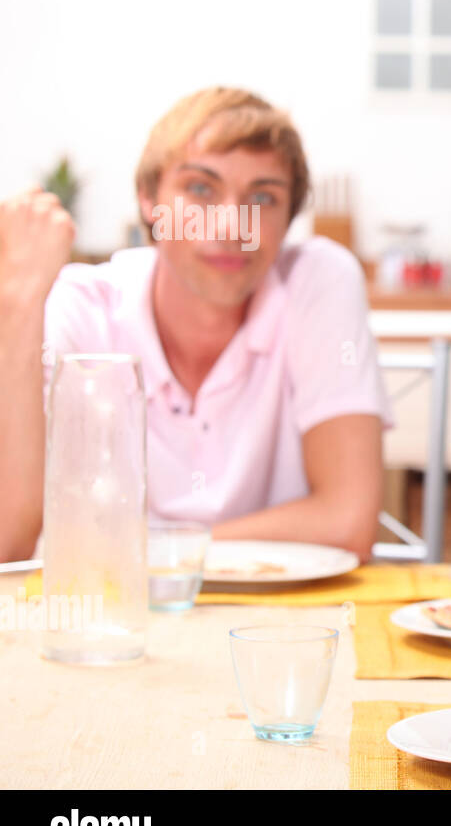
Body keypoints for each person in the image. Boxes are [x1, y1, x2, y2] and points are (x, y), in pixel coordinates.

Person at [0, 87, 389, 563]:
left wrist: (144, 555)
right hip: (116, 620)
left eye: (263, 198)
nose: (232, 226)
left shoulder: (319, 279)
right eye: (201, 189)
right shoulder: (82, 304)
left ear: (289, 221)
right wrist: (17, 303)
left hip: (278, 626)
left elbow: (347, 522)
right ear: (149, 201)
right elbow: (7, 544)